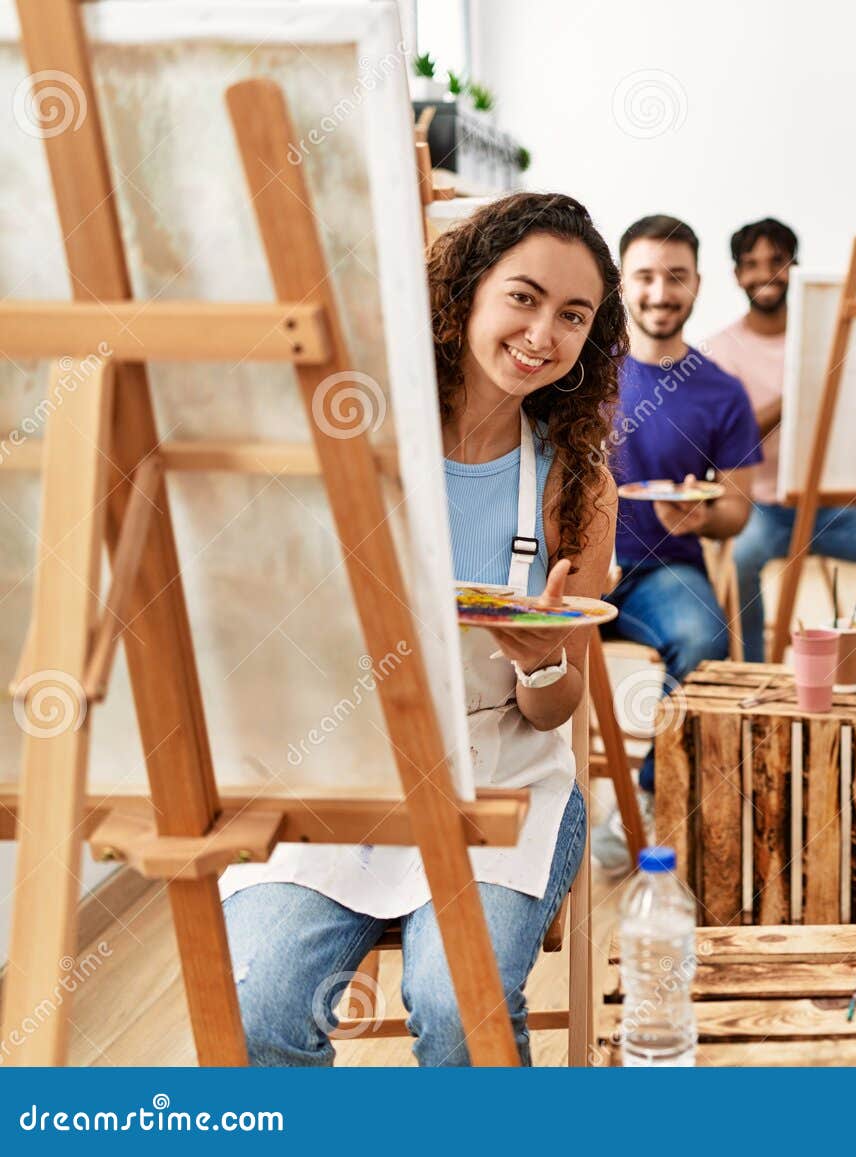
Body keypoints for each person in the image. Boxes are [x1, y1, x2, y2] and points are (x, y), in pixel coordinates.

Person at [220, 192, 624, 1066]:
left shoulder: (577, 483)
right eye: (523, 297)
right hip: (339, 771)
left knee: (459, 1006)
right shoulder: (354, 439)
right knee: (255, 1005)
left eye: (573, 315)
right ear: (465, 294)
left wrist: (541, 661)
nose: (543, 333)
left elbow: (555, 710)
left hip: (502, 780)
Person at [594, 214, 761, 875]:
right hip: (575, 567)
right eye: (645, 276)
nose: (660, 292)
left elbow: (737, 510)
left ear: (696, 284)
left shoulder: (722, 393)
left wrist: (701, 516)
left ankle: (641, 797)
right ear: (621, 283)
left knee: (702, 637)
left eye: (675, 277)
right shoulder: (580, 372)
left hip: (665, 570)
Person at [708, 218, 856, 662]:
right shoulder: (719, 351)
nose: (765, 274)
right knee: (741, 561)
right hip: (762, 510)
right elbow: (728, 442)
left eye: (777, 261)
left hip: (832, 506)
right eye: (752, 264)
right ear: (737, 275)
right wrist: (797, 394)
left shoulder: (826, 337)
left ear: (795, 267)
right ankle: (753, 671)